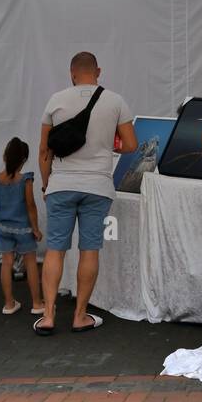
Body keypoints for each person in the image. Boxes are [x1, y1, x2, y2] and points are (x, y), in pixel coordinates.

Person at [36, 52, 135, 336]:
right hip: (98, 187)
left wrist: (46, 184)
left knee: (56, 250)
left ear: (72, 73)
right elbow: (130, 145)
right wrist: (108, 145)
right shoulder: (115, 101)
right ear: (98, 71)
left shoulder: (55, 101)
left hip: (61, 185)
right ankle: (80, 316)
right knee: (89, 250)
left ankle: (48, 316)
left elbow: (44, 151)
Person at [0, 137, 45, 316]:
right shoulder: (26, 179)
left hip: (2, 226)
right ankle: (37, 303)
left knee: (6, 263)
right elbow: (30, 205)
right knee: (30, 262)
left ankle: (9, 304)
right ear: (24, 160)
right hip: (23, 228)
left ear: (5, 156)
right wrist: (36, 229)